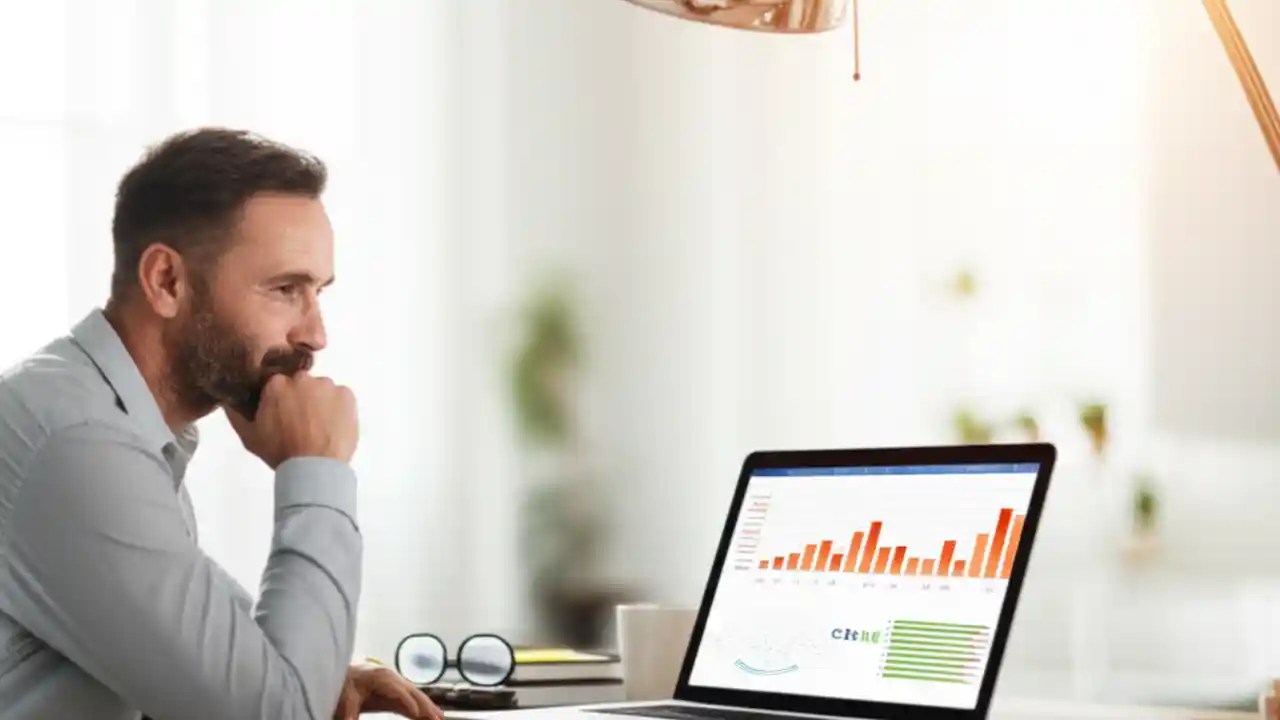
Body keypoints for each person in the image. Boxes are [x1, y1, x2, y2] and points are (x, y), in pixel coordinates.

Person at [0, 128, 442, 720]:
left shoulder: (112, 423)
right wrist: (315, 472)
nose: (315, 334)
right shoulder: (77, 442)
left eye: (318, 292)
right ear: (167, 281)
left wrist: (322, 674)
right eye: (286, 289)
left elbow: (232, 667)